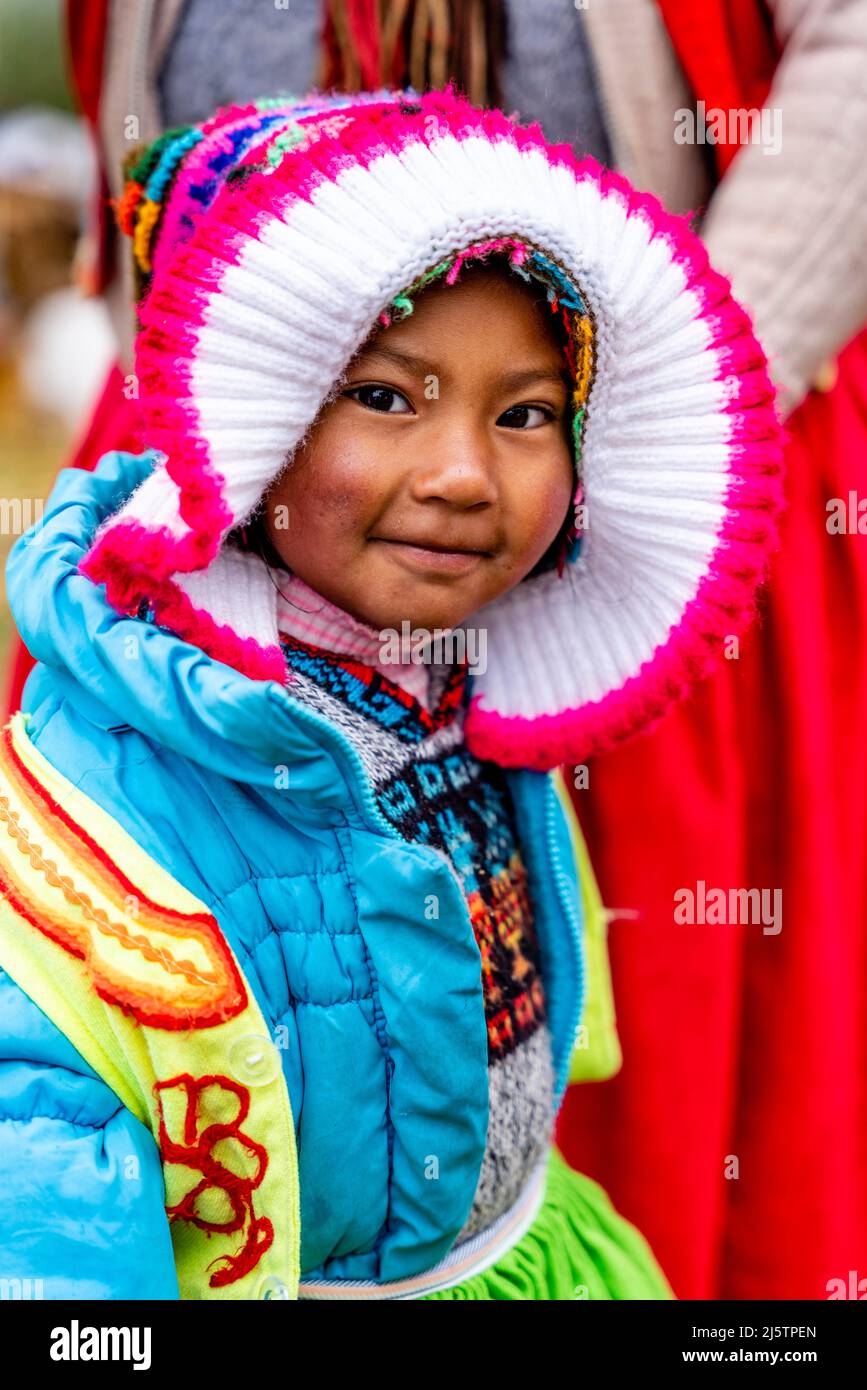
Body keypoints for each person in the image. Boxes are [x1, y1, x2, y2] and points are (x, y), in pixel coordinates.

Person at [0, 87, 781, 1300]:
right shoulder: (113, 783)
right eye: (384, 396)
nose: (467, 474)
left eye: (526, 413)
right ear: (249, 416)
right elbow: (44, 1188)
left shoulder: (474, 681)